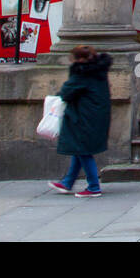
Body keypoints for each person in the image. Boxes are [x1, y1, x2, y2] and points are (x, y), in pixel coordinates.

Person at [49, 45, 112, 197]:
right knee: (80, 148)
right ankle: (67, 183)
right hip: (95, 116)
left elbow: (66, 92)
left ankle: (94, 186)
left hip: (84, 117)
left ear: (80, 59)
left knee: (83, 151)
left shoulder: (82, 73)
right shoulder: (98, 71)